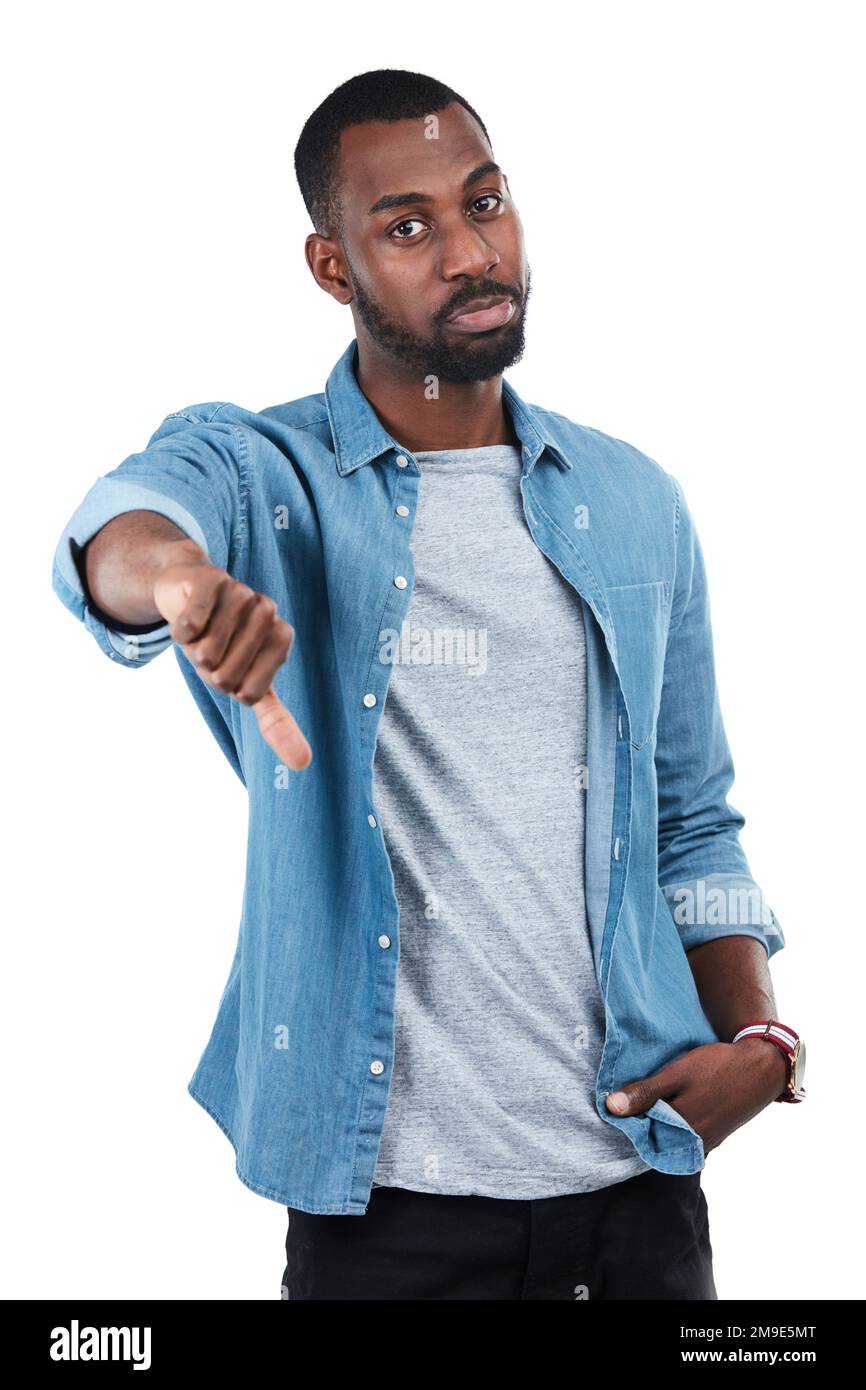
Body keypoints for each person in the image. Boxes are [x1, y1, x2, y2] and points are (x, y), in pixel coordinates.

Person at [51, 68, 805, 1301]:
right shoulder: (268, 471)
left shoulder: (631, 502)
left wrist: (760, 1047)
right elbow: (118, 528)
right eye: (407, 226)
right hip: (388, 1218)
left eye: (485, 203)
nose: (469, 252)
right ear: (332, 267)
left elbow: (690, 814)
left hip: (637, 1200)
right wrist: (183, 581)